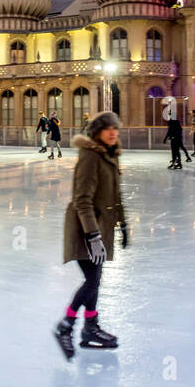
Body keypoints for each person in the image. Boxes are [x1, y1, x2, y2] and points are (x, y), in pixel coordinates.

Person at [54, 111, 128, 359]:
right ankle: (67, 326)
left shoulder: (110, 155)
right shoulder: (90, 157)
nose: (113, 132)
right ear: (97, 132)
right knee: (93, 280)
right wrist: (93, 236)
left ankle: (89, 328)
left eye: (115, 128)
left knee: (95, 279)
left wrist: (123, 224)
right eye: (107, 128)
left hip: (100, 227)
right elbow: (82, 200)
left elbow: (116, 196)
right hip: (84, 228)